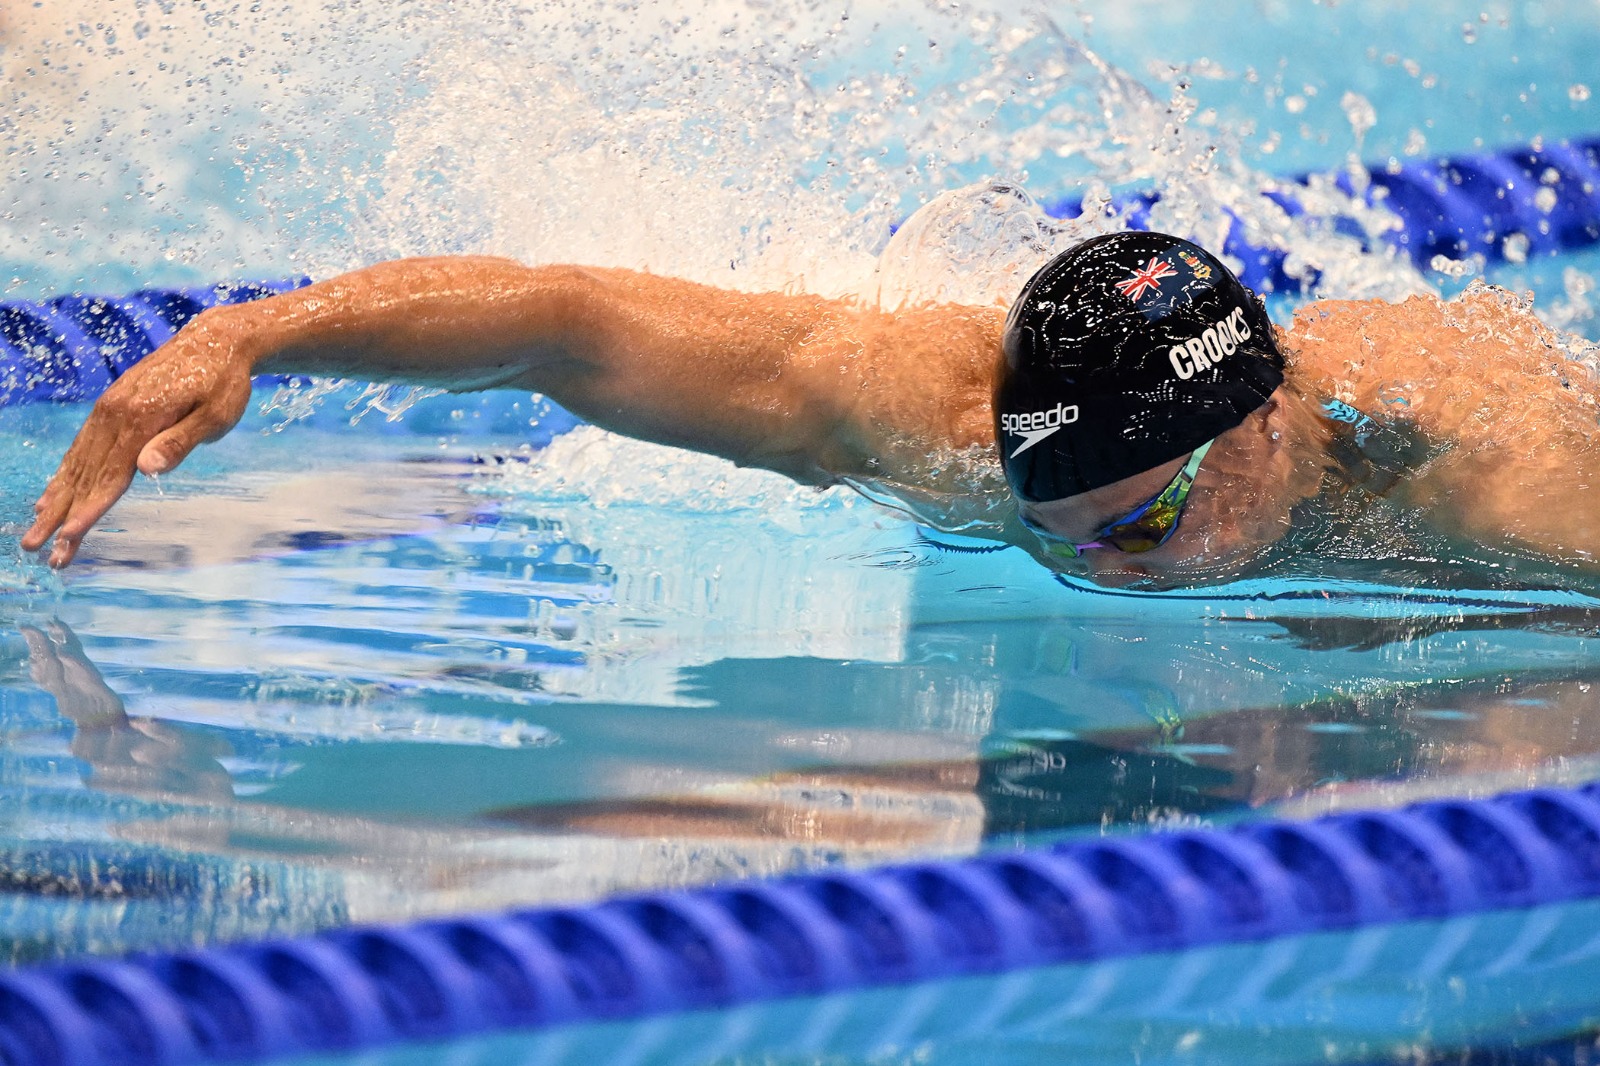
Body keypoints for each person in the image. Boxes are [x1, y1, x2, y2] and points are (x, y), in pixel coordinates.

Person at [20, 231, 1600, 589]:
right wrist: (254, 331)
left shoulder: (1477, 481)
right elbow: (570, 325)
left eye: (1151, 522)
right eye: (1055, 526)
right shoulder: (929, 413)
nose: (1099, 569)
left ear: (1253, 433)